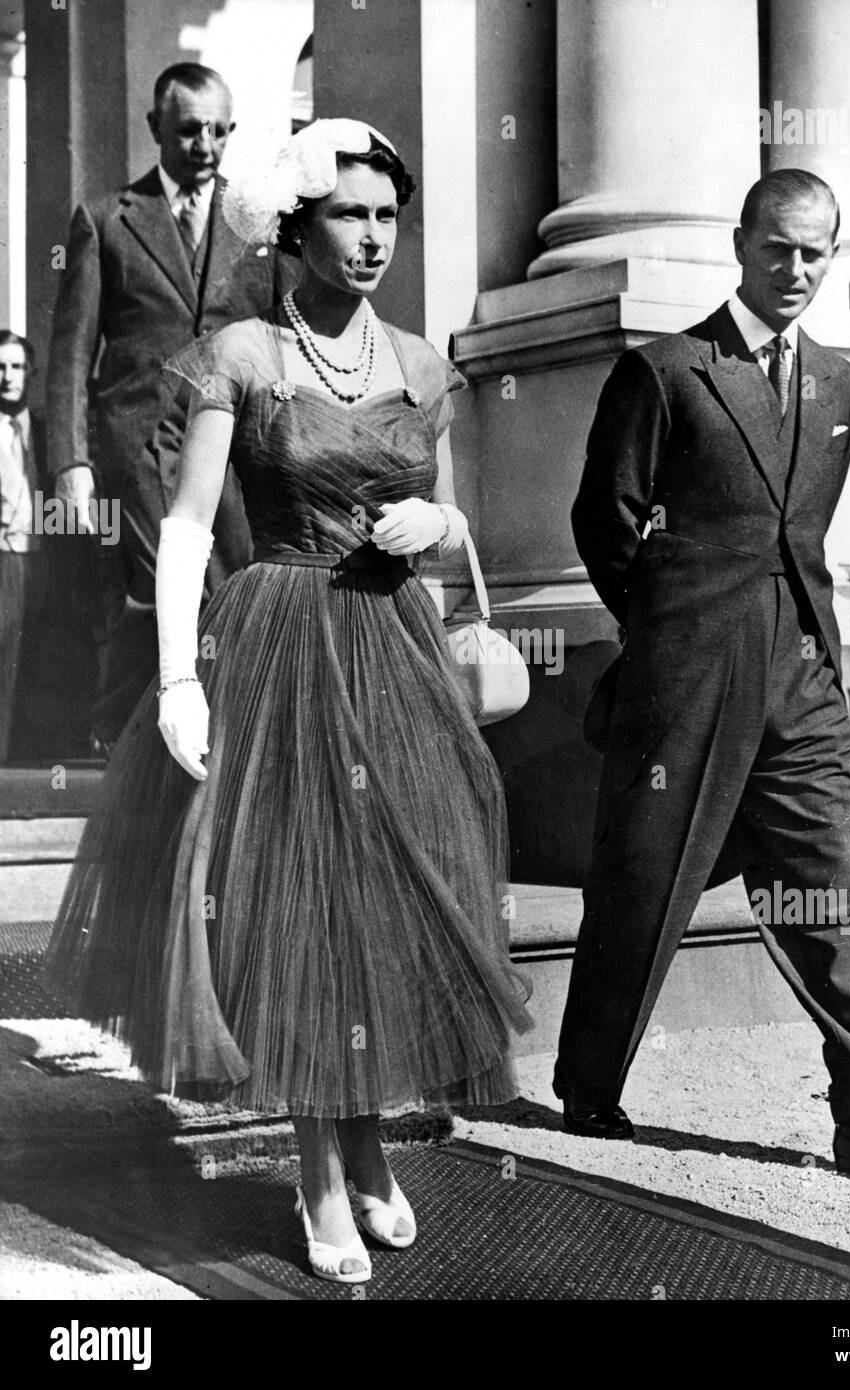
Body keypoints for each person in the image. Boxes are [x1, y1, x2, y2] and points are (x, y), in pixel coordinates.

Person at [46, 117, 531, 1285]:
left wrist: (443, 524)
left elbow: (454, 516)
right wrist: (173, 679)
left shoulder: (421, 363)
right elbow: (182, 525)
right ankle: (318, 1162)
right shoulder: (241, 356)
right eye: (349, 215)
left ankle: (368, 1143)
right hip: (282, 637)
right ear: (295, 230)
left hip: (398, 650)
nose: (372, 238)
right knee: (301, 899)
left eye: (386, 216)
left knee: (384, 902)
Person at [554, 169, 850, 1185]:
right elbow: (603, 521)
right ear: (739, 243)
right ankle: (590, 1079)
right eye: (777, 246)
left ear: (833, 256)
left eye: (815, 251)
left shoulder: (840, 384)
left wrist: (805, 644)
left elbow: (798, 529)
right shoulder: (668, 371)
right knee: (645, 881)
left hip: (804, 672)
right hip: (687, 671)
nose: (795, 269)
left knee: (834, 886)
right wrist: (671, 626)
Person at [45, 62, 296, 747]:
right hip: (142, 447)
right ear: (156, 127)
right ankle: (173, 734)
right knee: (174, 587)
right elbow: (71, 355)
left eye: (220, 131)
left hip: (235, 450)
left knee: (238, 583)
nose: (205, 146)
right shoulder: (106, 221)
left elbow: (281, 338)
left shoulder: (257, 228)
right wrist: (71, 463)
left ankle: (211, 736)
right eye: (189, 130)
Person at [0, 331, 47, 759]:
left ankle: (33, 760)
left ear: (30, 372)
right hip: (3, 562)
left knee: (43, 657)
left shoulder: (49, 431)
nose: (7, 376)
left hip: (48, 560)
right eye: (0, 367)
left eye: (16, 367)